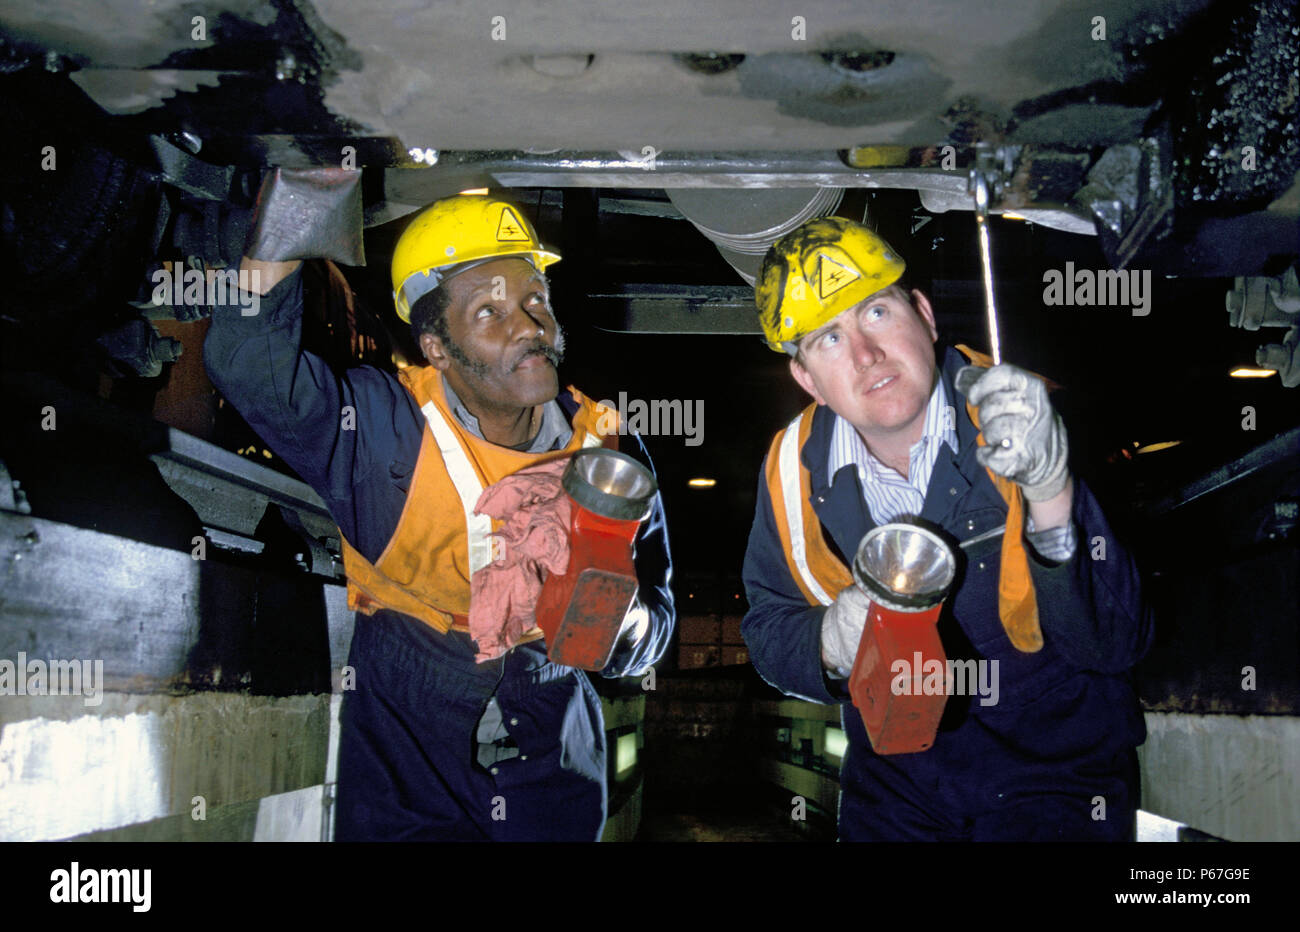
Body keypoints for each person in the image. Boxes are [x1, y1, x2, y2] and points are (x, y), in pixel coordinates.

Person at [203, 191, 674, 841]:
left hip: (548, 731)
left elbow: (657, 622)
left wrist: (625, 623)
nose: (528, 326)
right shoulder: (384, 427)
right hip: (407, 724)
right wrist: (288, 217)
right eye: (489, 310)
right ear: (438, 345)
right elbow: (252, 365)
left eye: (535, 298)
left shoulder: (609, 448)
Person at [741, 217, 1153, 841]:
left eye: (875, 313)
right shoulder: (790, 471)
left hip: (1058, 783)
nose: (864, 355)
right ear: (806, 380)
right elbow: (768, 628)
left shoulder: (1030, 422)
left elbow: (1117, 645)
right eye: (827, 339)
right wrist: (830, 638)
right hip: (897, 793)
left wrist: (1050, 494)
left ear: (925, 316)